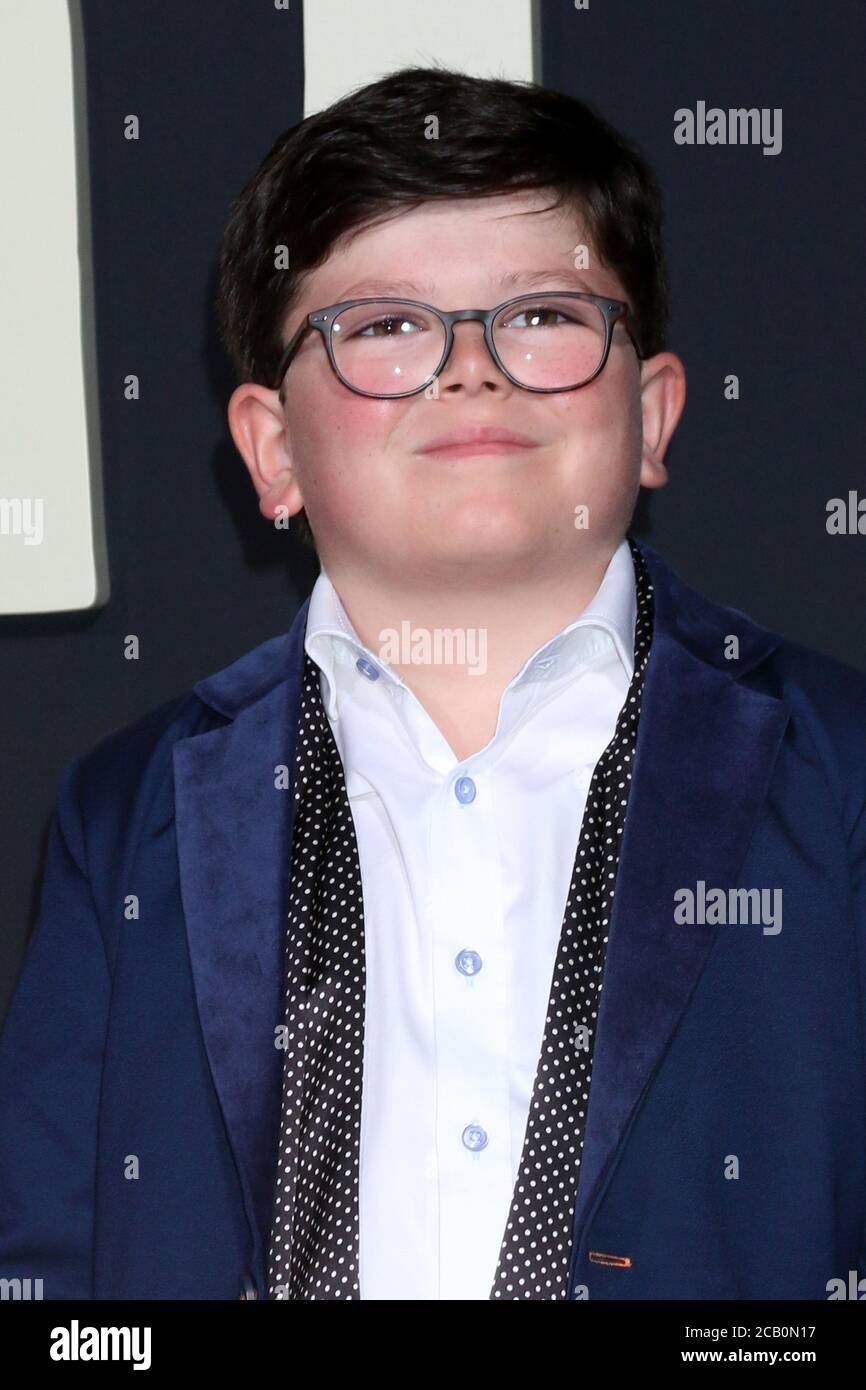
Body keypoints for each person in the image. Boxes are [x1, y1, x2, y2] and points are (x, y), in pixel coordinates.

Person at [1, 66, 864, 1302]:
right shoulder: (128, 814)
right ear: (273, 448)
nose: (471, 370)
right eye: (386, 328)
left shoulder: (837, 777)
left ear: (654, 413)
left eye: (543, 315)